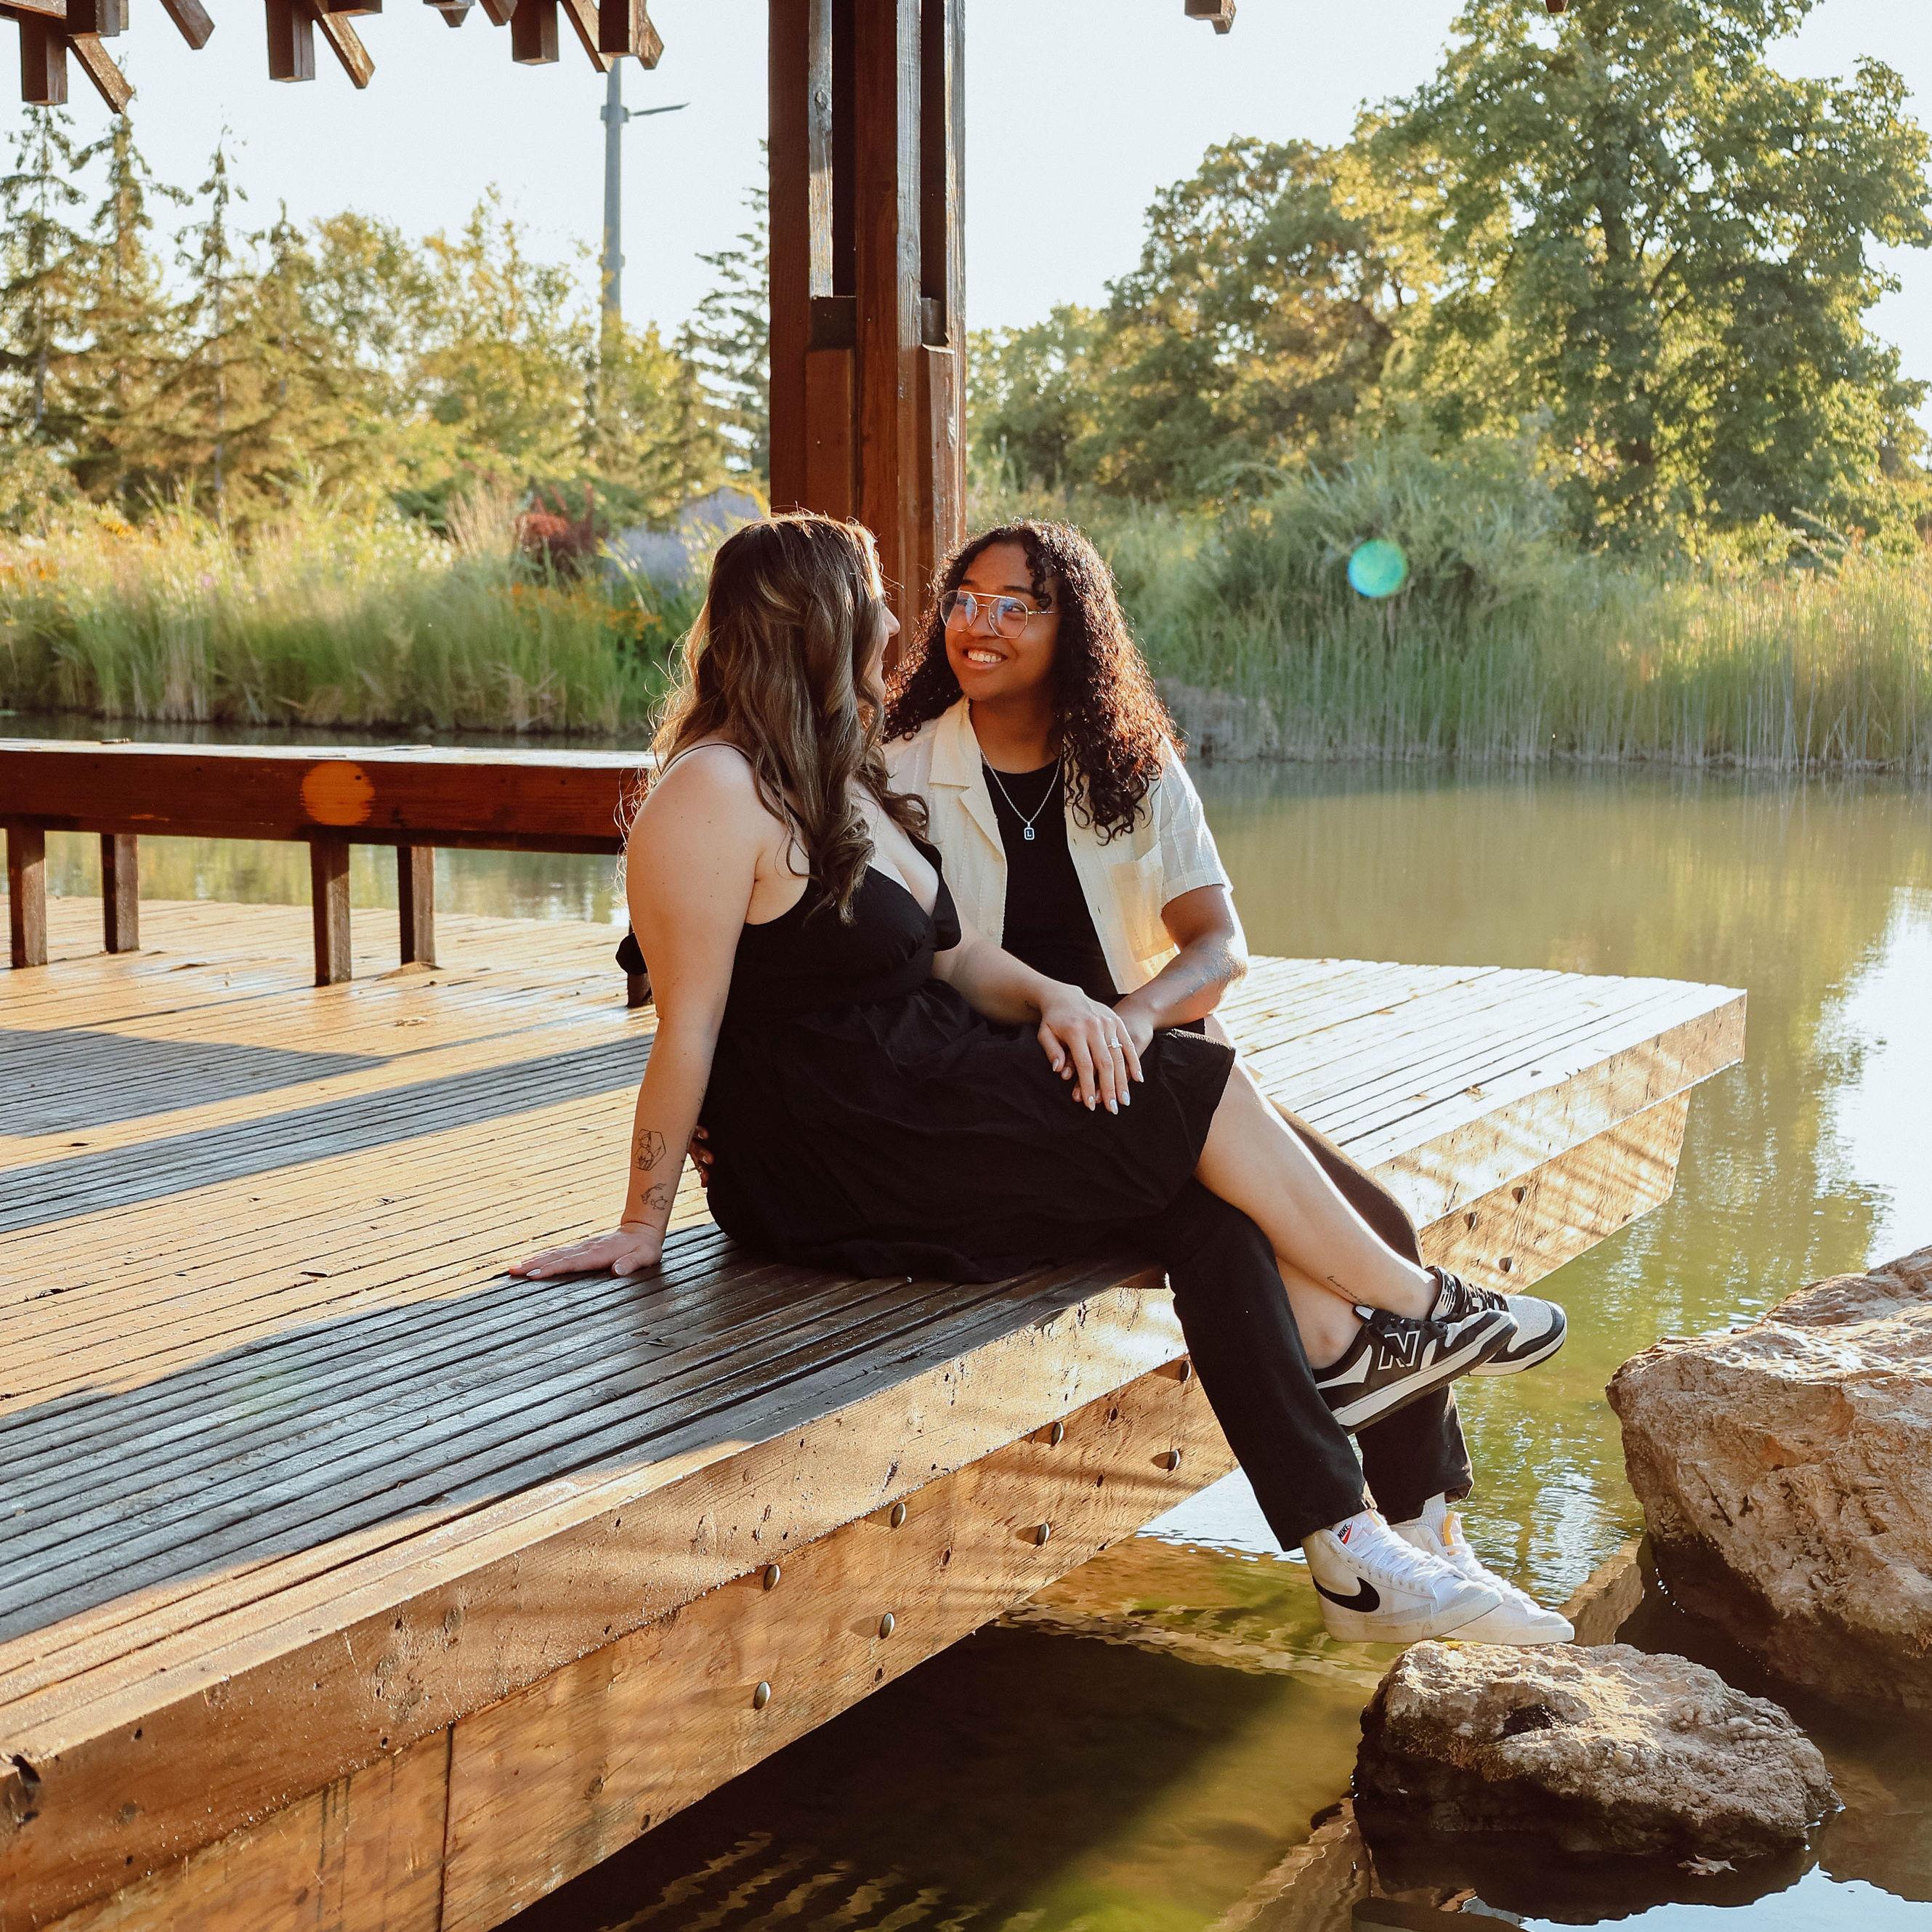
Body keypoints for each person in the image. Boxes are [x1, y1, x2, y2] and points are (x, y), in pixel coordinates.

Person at [517, 512, 1551, 1646]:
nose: (905, 622)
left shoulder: (839, 777)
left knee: (1219, 1208)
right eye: (885, 599)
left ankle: (1357, 1554)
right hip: (847, 1146)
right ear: (819, 622)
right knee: (1194, 1082)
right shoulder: (713, 791)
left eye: (1011, 604)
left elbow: (957, 956)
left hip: (941, 1093)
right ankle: (1419, 1315)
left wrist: (1063, 1000)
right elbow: (690, 1025)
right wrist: (642, 1221)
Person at [881, 518, 1572, 1642]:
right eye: (964, 599)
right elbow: (926, 959)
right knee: (1224, 1232)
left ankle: (1425, 1534)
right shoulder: (904, 769)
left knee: (1375, 1216)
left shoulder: (1130, 764)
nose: (980, 624)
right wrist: (1073, 1020)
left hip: (1149, 1062)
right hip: (1007, 1083)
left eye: (1015, 605)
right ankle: (1364, 1524)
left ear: (1073, 630)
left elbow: (1218, 943)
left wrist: (1137, 1013)